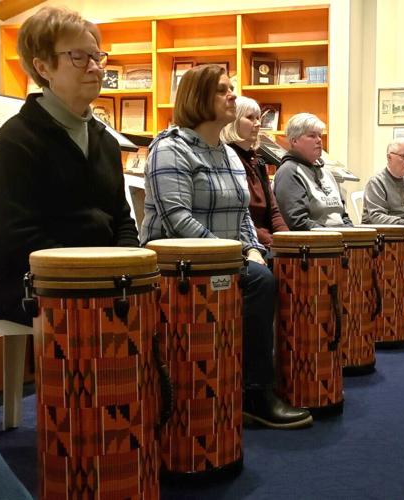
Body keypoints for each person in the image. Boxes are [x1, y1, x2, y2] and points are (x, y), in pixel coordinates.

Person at [140, 64, 312, 429]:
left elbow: (243, 214)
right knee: (259, 281)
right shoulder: (170, 149)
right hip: (179, 260)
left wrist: (250, 248)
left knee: (277, 268)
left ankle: (288, 376)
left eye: (231, 88)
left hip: (224, 257)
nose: (232, 95)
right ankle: (255, 390)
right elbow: (176, 218)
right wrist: (235, 254)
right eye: (222, 90)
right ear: (196, 97)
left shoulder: (229, 154)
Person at [0, 7, 138, 326]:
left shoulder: (104, 140)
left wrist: (129, 265)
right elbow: (18, 238)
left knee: (161, 297)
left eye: (97, 56)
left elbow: (122, 219)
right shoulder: (16, 141)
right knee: (106, 313)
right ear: (42, 67)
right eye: (79, 57)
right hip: (24, 282)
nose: (95, 67)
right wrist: (89, 273)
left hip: (94, 278)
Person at [221, 96, 288, 250]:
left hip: (268, 241)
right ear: (234, 121)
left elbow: (274, 212)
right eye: (250, 118)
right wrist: (273, 244)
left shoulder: (257, 161)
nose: (258, 124)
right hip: (247, 242)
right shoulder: (225, 160)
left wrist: (287, 240)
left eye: (258, 118)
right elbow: (240, 219)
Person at [273, 113, 353, 230]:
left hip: (339, 240)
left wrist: (352, 233)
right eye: (312, 136)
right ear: (294, 141)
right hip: (315, 243)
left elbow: (343, 215)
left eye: (320, 135)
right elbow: (298, 222)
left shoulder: (327, 172)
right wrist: (337, 235)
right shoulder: (289, 172)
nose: (319, 140)